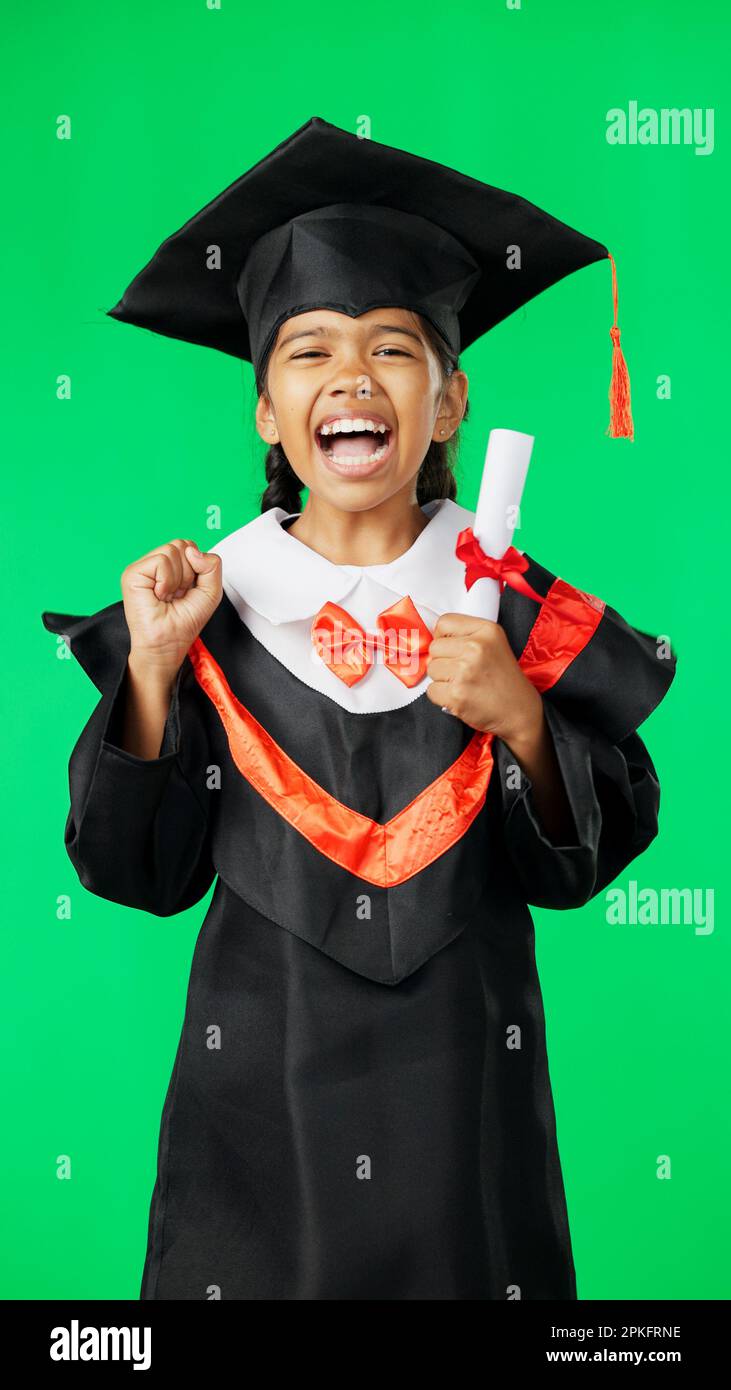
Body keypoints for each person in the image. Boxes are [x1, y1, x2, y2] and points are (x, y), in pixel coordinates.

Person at [41, 117, 677, 1300]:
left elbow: (579, 866)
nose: (351, 376)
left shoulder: (520, 624)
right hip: (255, 1137)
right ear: (268, 414)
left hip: (464, 1119)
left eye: (393, 348)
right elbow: (138, 872)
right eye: (308, 351)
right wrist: (150, 675)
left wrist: (523, 722)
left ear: (446, 403)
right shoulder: (203, 616)